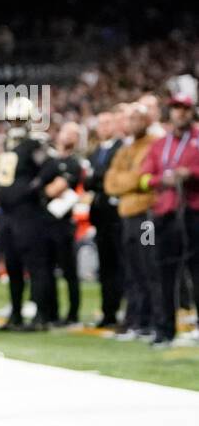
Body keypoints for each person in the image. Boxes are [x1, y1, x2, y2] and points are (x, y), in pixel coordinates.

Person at [141, 85, 199, 347]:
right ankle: (164, 330)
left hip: (194, 212)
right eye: (176, 108)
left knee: (196, 273)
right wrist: (159, 180)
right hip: (162, 215)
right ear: (171, 112)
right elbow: (143, 178)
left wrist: (190, 174)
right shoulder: (159, 145)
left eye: (184, 109)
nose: (180, 113)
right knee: (163, 273)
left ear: (192, 112)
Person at [0, 97, 56, 330]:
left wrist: (34, 186)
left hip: (29, 214)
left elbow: (50, 166)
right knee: (12, 265)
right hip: (9, 215)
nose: (16, 123)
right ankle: (16, 313)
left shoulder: (34, 143)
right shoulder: (9, 144)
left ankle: (41, 315)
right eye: (13, 119)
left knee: (36, 265)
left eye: (20, 119)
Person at [105, 103, 159, 341]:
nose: (133, 123)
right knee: (133, 270)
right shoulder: (126, 148)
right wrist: (128, 182)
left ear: (147, 121)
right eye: (130, 119)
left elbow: (140, 176)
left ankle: (151, 320)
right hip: (127, 216)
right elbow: (110, 182)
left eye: (138, 118)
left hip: (147, 216)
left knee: (149, 267)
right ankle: (136, 319)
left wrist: (126, 183)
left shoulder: (153, 144)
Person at [39, 120, 86, 326]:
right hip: (45, 222)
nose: (68, 136)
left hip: (63, 223)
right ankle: (51, 313)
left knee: (69, 271)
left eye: (73, 133)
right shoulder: (47, 158)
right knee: (46, 270)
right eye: (66, 131)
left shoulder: (75, 163)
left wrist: (43, 189)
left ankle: (73, 314)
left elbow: (51, 189)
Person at [85, 107, 125, 329]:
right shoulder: (95, 151)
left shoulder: (120, 148)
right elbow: (89, 181)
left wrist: (97, 177)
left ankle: (123, 310)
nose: (104, 128)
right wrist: (98, 177)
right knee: (106, 266)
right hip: (100, 215)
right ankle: (108, 311)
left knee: (121, 264)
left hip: (117, 215)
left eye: (108, 123)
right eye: (100, 124)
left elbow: (107, 177)